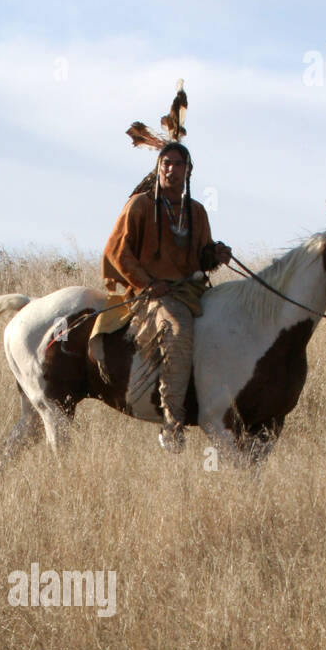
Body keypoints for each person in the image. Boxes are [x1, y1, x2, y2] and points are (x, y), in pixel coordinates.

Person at [102, 141, 232, 451]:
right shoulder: (139, 206)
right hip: (151, 295)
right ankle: (172, 425)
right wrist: (148, 283)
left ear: (188, 171)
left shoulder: (197, 211)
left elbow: (200, 259)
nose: (171, 169)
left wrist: (215, 254)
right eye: (166, 163)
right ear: (158, 167)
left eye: (178, 164)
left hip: (189, 290)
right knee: (177, 329)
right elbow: (117, 252)